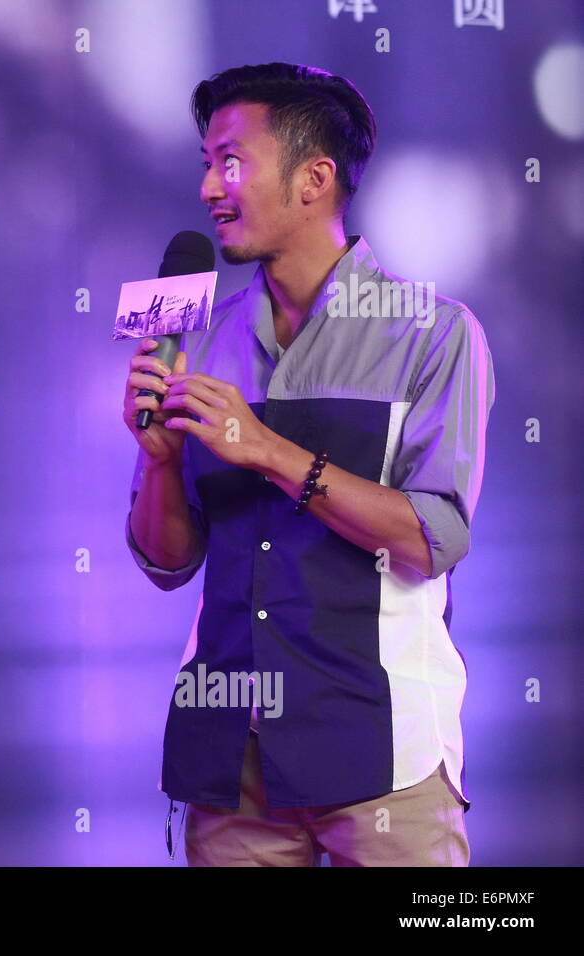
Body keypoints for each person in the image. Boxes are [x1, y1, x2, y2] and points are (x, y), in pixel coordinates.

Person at [122, 63, 494, 866]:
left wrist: (266, 449)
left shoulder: (434, 335)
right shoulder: (196, 336)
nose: (208, 189)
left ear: (314, 179)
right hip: (230, 758)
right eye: (204, 162)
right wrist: (157, 461)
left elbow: (433, 540)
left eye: (230, 161)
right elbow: (165, 561)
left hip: (381, 757)